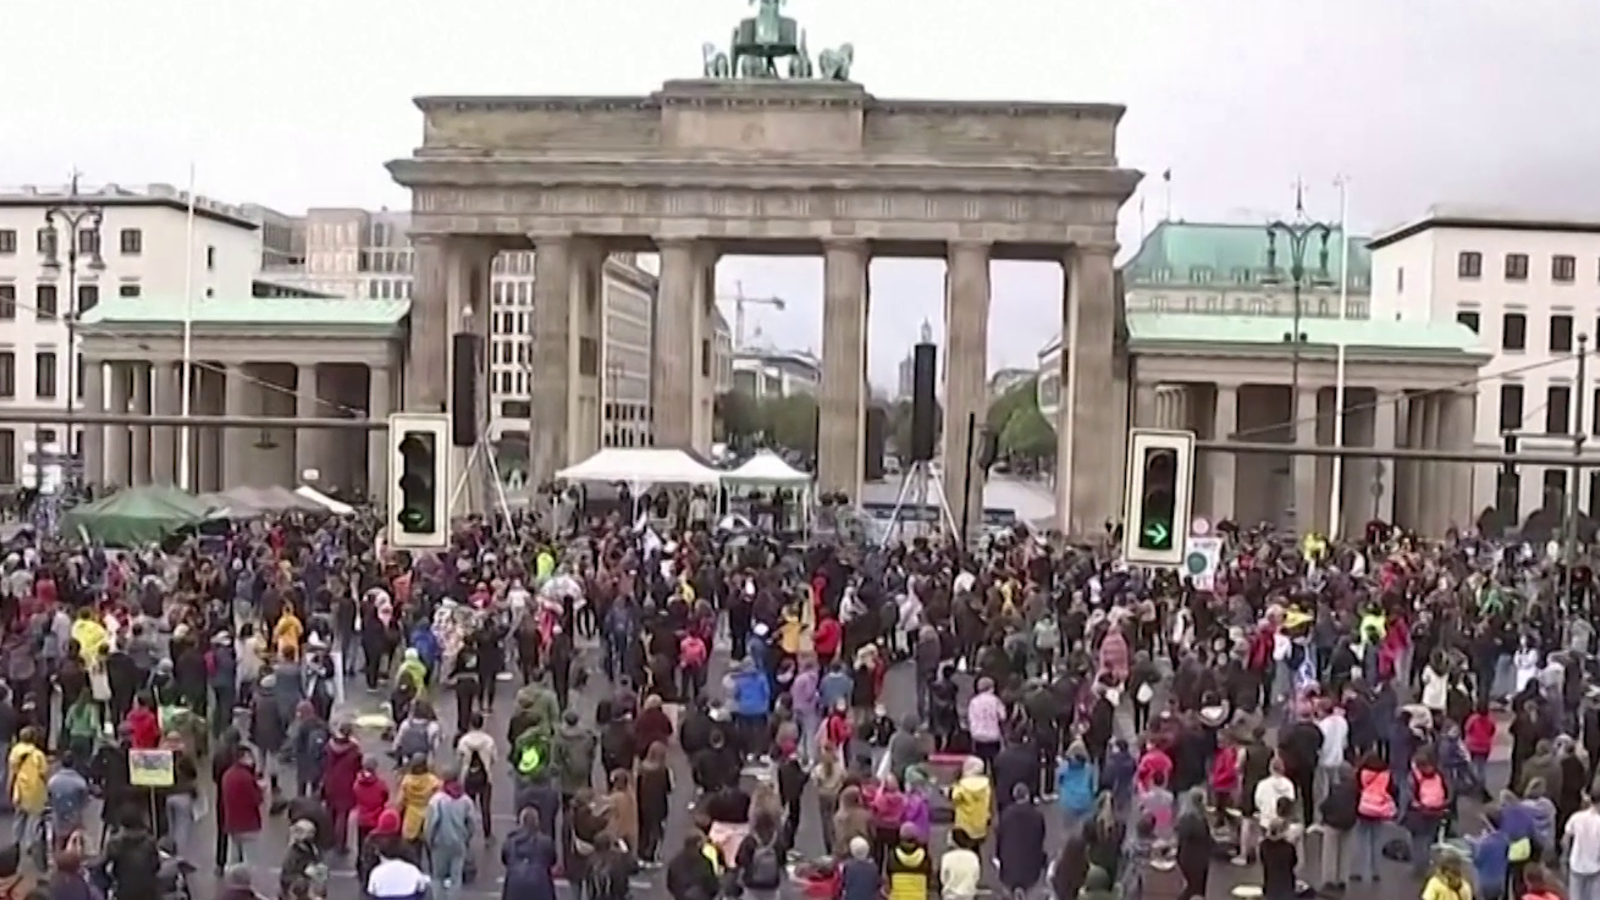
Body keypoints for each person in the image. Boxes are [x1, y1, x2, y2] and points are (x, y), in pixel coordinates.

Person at [8, 725, 48, 867]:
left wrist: (9, 787)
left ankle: (16, 841)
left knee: (19, 816)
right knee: (33, 819)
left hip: (20, 788)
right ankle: (29, 844)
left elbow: (12, 772)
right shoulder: (38, 755)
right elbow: (44, 774)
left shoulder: (15, 751)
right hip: (35, 790)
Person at [502, 808, 558, 900]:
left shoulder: (510, 841)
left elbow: (505, 859)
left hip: (514, 887)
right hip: (541, 886)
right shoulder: (545, 841)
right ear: (537, 822)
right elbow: (552, 860)